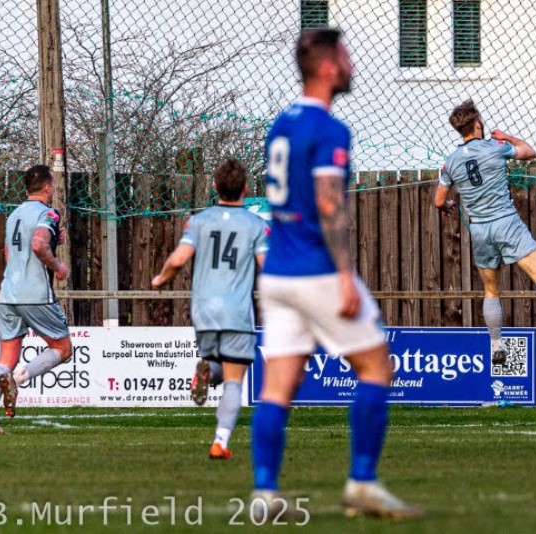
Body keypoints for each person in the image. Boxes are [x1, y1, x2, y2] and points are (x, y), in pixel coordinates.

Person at [252, 28, 422, 521]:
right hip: (316, 270)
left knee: (277, 387)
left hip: (278, 274)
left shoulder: (281, 124)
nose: (351, 64)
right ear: (328, 68)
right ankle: (362, 483)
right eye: (345, 56)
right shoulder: (330, 130)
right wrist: (346, 275)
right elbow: (329, 203)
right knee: (376, 368)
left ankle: (265, 493)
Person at [434, 100, 536, 366]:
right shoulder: (495, 148)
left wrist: (450, 203)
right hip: (506, 222)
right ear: (478, 124)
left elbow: (439, 200)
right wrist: (506, 136)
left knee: (491, 290)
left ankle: (497, 346)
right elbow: (529, 151)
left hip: (479, 230)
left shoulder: (449, 163)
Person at [152, 158, 268, 459]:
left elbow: (178, 260)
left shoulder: (199, 221)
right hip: (237, 313)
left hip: (204, 311)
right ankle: (220, 441)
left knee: (215, 362)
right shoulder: (256, 226)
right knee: (234, 379)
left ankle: (205, 371)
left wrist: (161, 279)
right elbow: (267, 267)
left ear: (214, 187)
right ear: (245, 188)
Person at [0, 164, 72, 435]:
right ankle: (17, 380)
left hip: (8, 294)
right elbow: (39, 244)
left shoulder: (13, 216)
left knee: (6, 357)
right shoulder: (49, 213)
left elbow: (11, 254)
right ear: (47, 187)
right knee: (63, 349)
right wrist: (57, 266)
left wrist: (54, 242)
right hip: (36, 294)